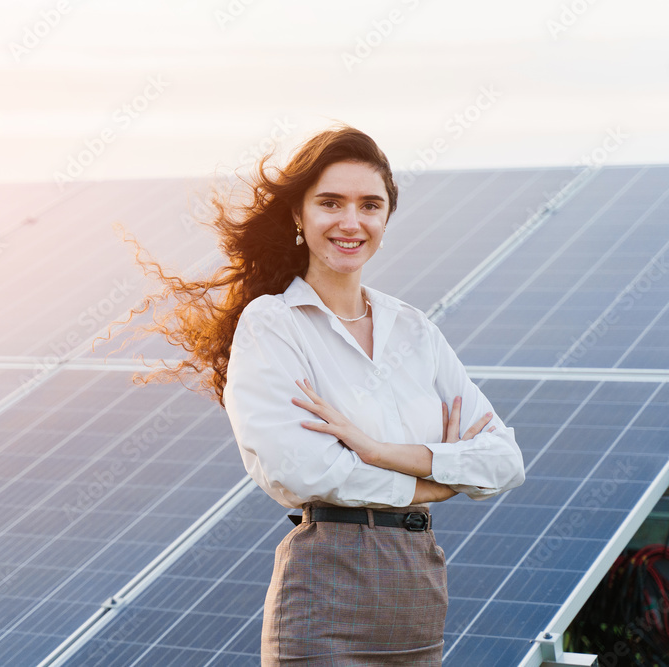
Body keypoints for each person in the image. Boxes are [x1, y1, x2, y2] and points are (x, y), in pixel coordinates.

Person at [103, 123, 525, 665]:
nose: (352, 222)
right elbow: (301, 470)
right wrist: (435, 485)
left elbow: (506, 459)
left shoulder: (416, 330)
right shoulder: (273, 324)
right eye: (331, 203)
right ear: (299, 217)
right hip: (325, 594)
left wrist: (380, 452)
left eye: (370, 205)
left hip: (418, 591)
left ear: (386, 218)